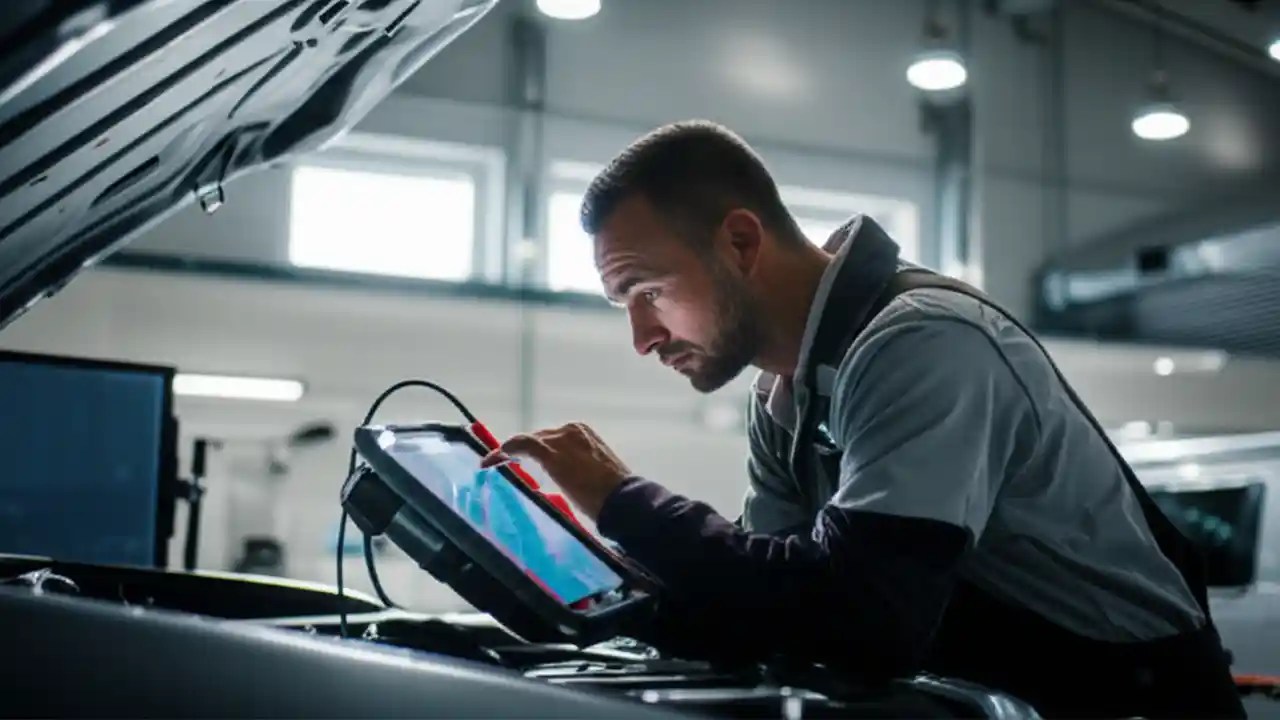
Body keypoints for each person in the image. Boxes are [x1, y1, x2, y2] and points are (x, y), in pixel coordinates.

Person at [480, 121, 1244, 718]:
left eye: (646, 291)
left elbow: (864, 616)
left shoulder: (920, 341)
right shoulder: (783, 394)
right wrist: (580, 576)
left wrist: (623, 500)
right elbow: (769, 605)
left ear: (741, 242)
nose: (643, 337)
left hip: (1138, 703)